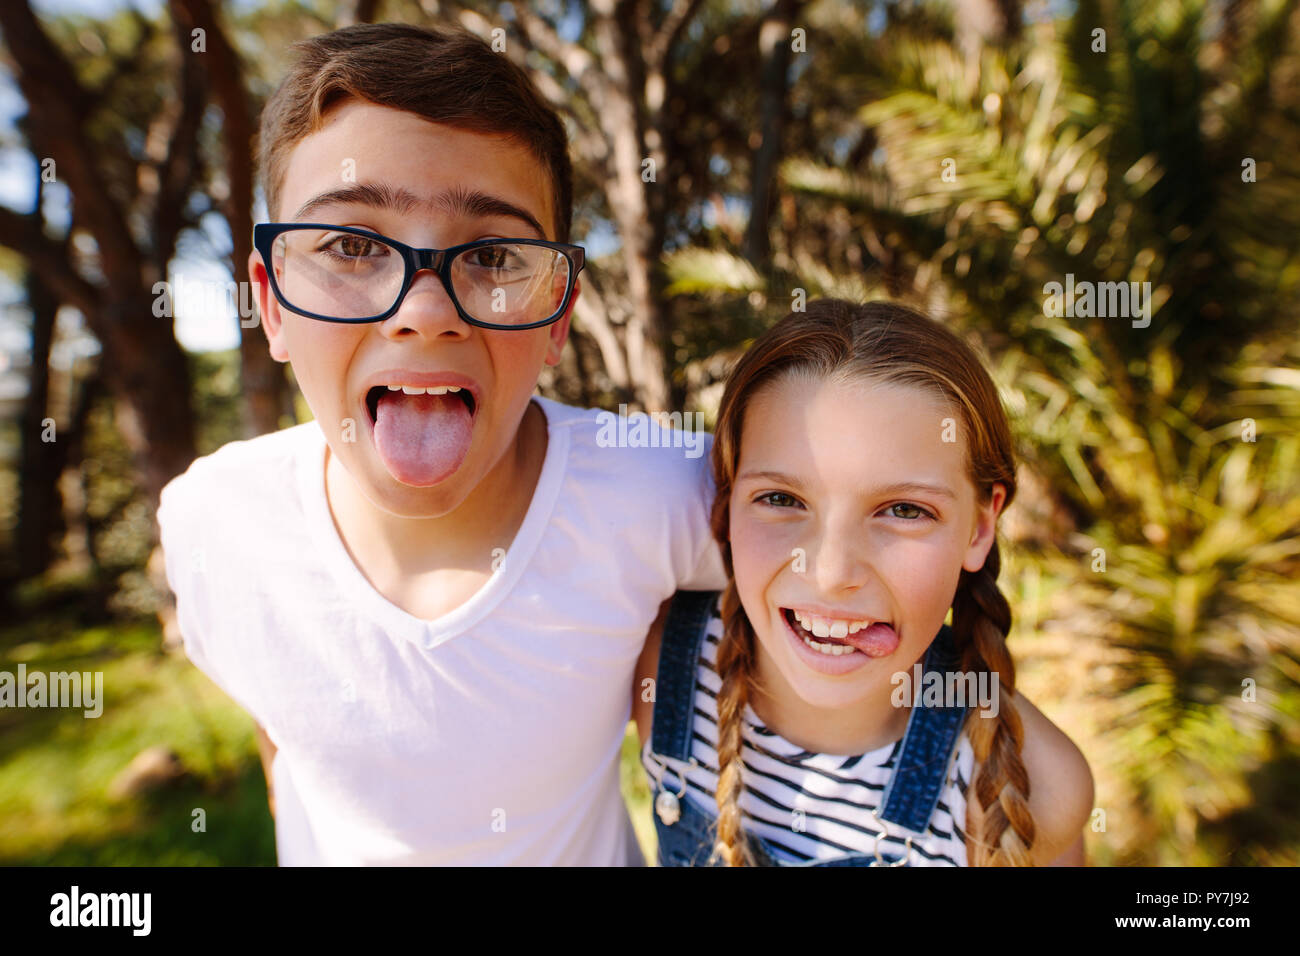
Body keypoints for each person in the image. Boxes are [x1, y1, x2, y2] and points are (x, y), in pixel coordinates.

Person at [157, 22, 723, 865]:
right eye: (350, 245)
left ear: (560, 313)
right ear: (270, 304)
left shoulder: (663, 491)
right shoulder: (215, 524)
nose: (423, 310)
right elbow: (280, 729)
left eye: (493, 253)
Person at [634, 298, 1095, 866]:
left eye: (903, 510)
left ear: (980, 526)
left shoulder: (1030, 790)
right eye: (781, 499)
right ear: (727, 503)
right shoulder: (658, 656)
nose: (829, 576)